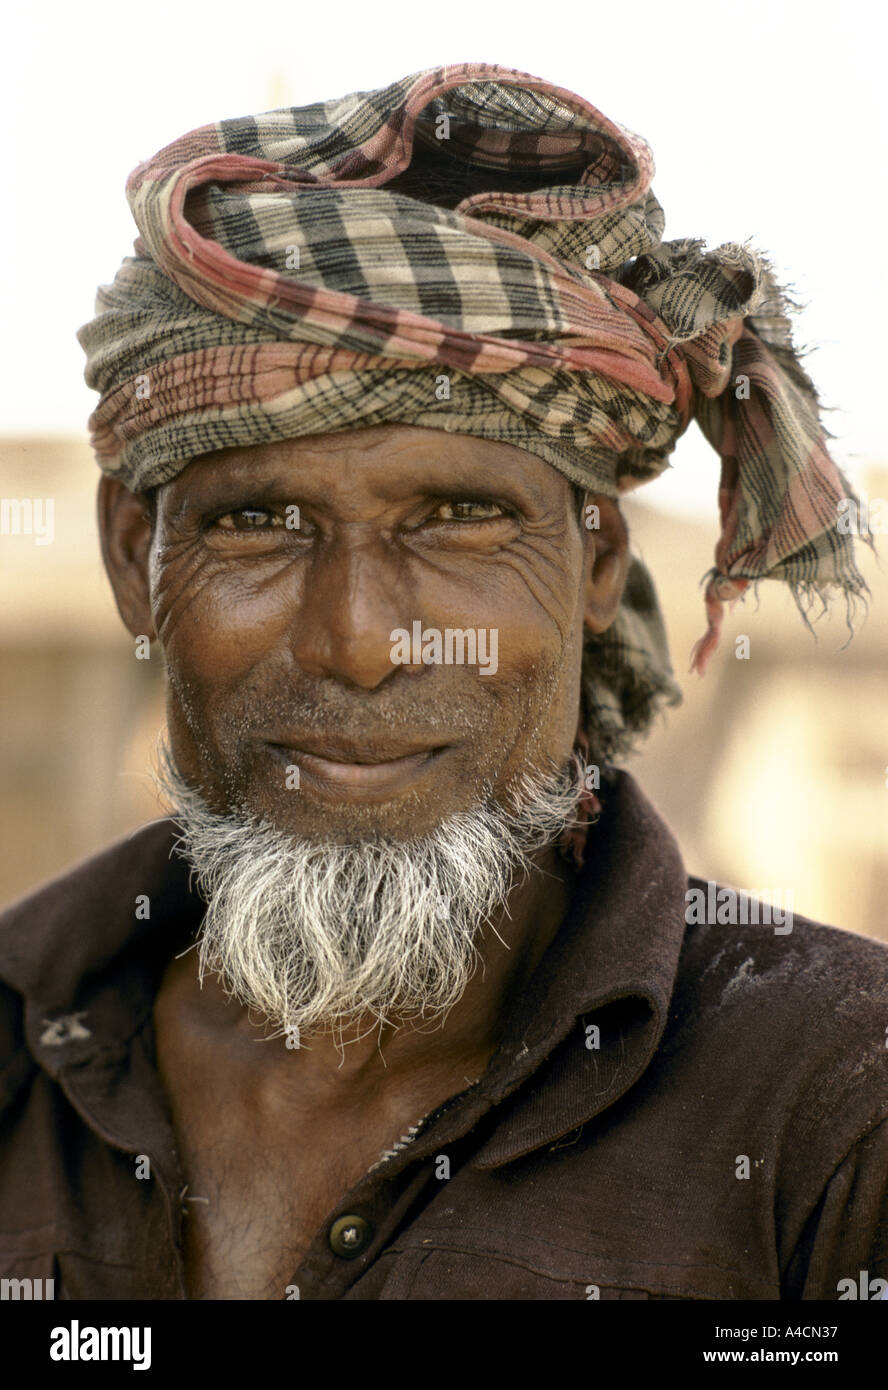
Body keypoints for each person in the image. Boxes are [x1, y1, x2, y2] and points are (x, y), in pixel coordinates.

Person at [0, 61, 885, 1302]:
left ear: (596, 565)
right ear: (130, 563)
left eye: (460, 520)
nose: (359, 641)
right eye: (260, 523)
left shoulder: (840, 1110)